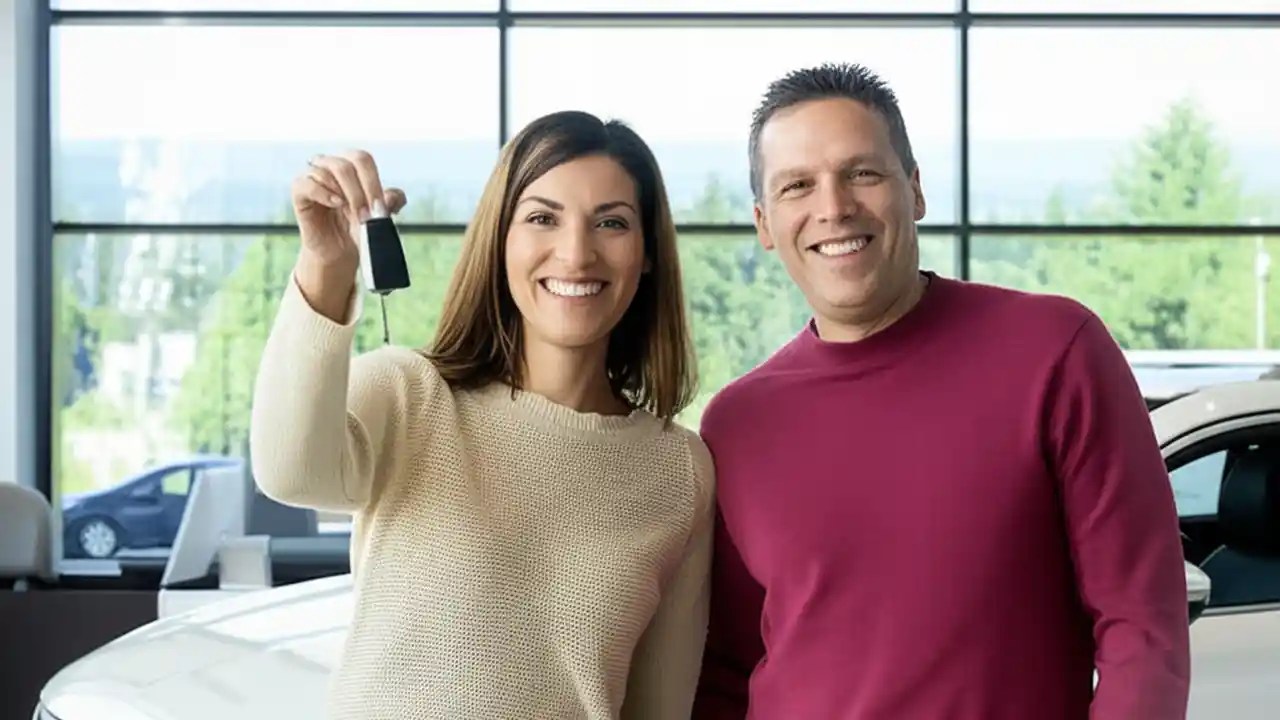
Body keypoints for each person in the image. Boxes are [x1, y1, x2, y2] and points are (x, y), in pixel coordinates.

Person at [691, 63, 1190, 719]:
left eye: (862, 173)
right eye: (797, 186)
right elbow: (727, 671)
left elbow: (1143, 629)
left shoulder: (1054, 352)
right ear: (764, 222)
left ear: (915, 190)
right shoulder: (736, 424)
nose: (833, 207)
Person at [249, 110, 715, 719]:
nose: (576, 253)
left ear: (648, 253)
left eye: (611, 223)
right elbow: (290, 473)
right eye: (543, 218)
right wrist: (327, 265)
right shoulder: (410, 395)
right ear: (501, 240)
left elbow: (659, 709)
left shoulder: (679, 471)